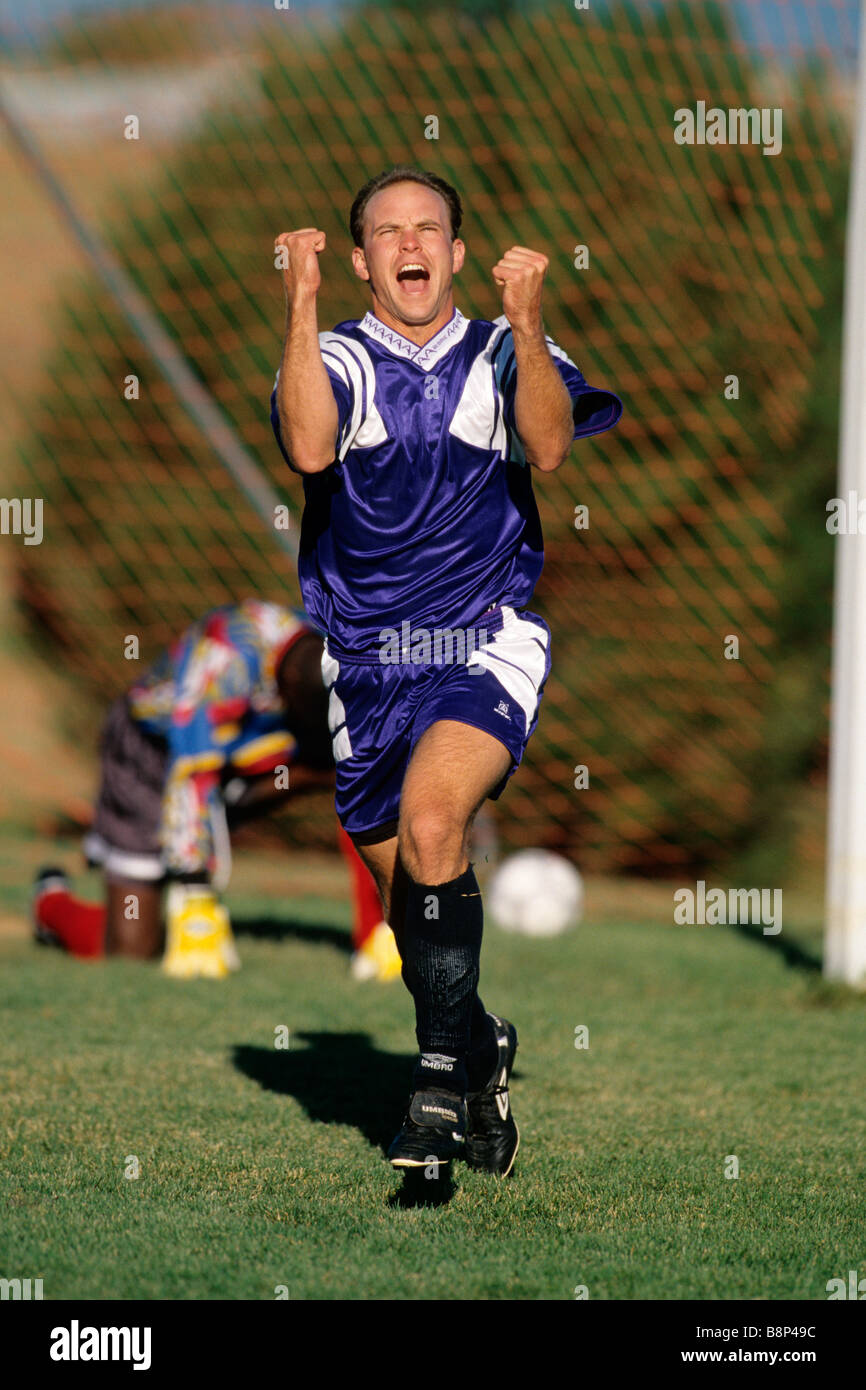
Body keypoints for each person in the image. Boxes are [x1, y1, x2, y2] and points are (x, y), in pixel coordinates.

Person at [271, 165, 622, 1174]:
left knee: (434, 825)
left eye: (427, 227)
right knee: (414, 909)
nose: (410, 243)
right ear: (361, 261)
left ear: (458, 252)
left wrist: (528, 322)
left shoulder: (508, 348)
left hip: (482, 639)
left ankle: (433, 1093)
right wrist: (299, 304)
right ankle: (478, 1045)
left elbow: (549, 446)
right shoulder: (333, 354)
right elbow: (308, 446)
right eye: (387, 231)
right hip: (365, 663)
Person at [32, 598, 400, 981]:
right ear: (287, 688)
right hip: (152, 756)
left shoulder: (337, 651)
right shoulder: (223, 662)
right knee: (131, 948)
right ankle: (50, 904)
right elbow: (191, 775)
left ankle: (380, 930)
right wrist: (196, 897)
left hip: (247, 756)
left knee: (352, 771)